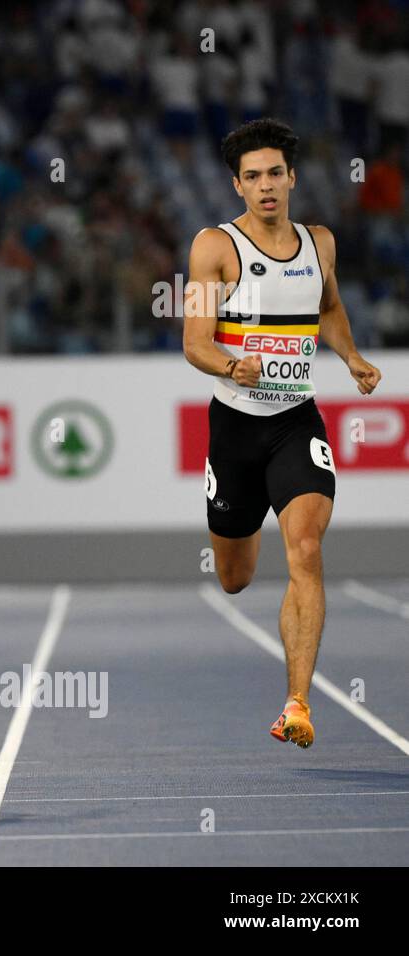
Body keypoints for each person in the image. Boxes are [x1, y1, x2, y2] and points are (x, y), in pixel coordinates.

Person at [182, 118, 382, 748]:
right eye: (252, 177)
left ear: (292, 177)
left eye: (275, 173)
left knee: (307, 551)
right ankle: (240, 539)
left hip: (297, 421)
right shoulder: (213, 247)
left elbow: (328, 307)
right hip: (235, 427)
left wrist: (349, 357)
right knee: (236, 577)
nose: (265, 186)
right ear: (237, 186)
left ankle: (297, 703)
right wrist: (230, 363)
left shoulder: (319, 243)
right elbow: (193, 341)